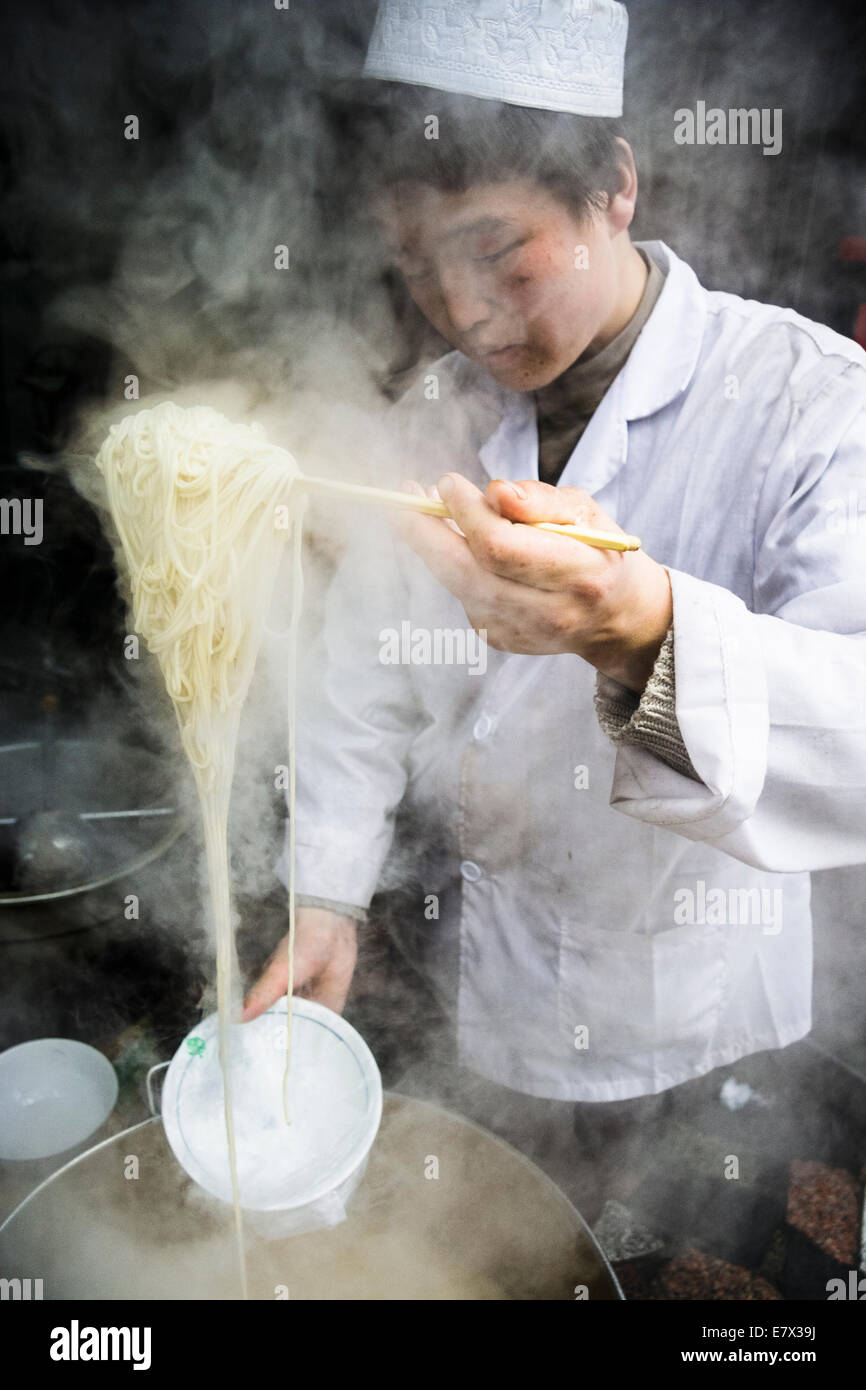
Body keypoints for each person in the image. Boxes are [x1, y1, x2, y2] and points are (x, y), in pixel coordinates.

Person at [242, 0, 866, 1206]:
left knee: (676, 1229)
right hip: (498, 964)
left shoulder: (809, 398)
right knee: (515, 1218)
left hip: (695, 994)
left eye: (493, 249)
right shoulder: (438, 412)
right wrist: (325, 895)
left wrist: (639, 631)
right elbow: (361, 675)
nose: (461, 312)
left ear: (614, 189)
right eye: (415, 264)